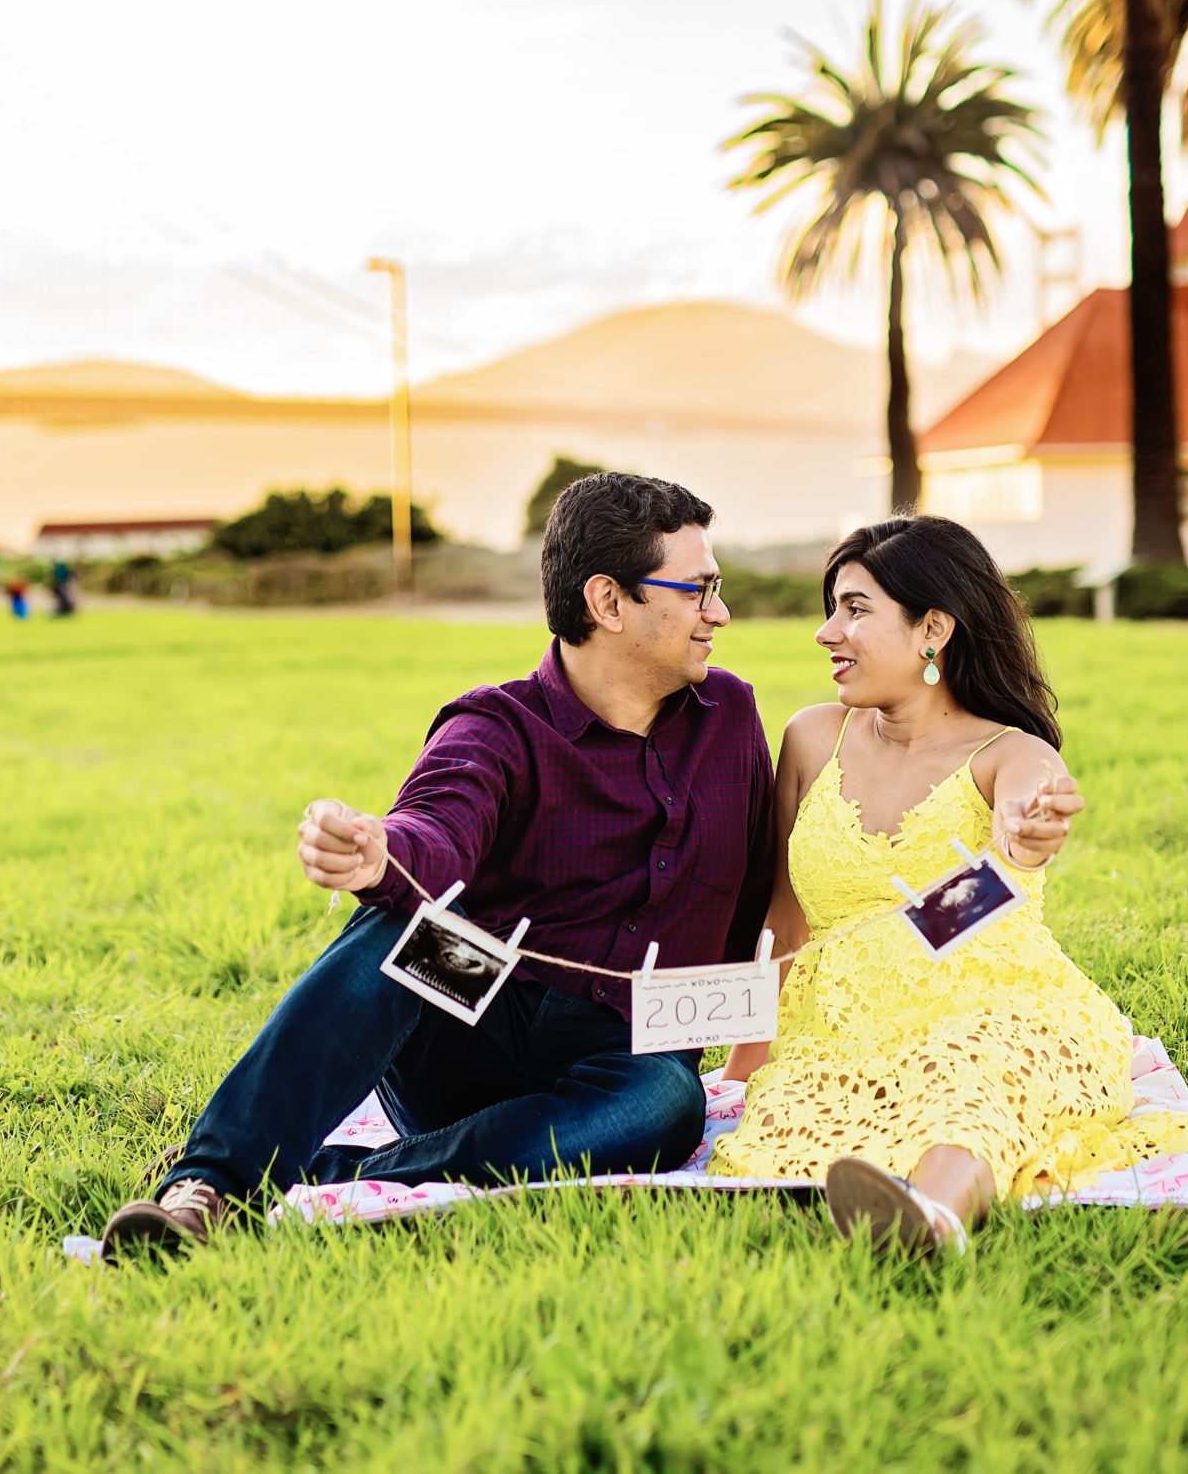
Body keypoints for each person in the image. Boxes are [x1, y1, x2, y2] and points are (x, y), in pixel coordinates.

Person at [102, 473, 776, 1256]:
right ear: (608, 602)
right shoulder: (497, 724)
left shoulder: (730, 718)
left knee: (666, 1103)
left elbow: (755, 896)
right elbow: (437, 825)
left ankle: (337, 1167)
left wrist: (743, 1050)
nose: (718, 612)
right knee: (406, 932)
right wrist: (379, 849)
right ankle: (211, 1186)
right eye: (698, 590)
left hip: (622, 1047)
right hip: (475, 1007)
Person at [707, 516, 1188, 1253]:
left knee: (970, 1071)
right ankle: (907, 1197)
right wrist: (743, 1072)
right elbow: (785, 924)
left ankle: (932, 1220)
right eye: (832, 607)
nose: (826, 632)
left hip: (999, 1007)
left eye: (855, 608)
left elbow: (1033, 800)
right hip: (845, 1028)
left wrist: (1036, 825)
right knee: (808, 1111)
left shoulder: (1008, 753)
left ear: (932, 628)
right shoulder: (813, 737)